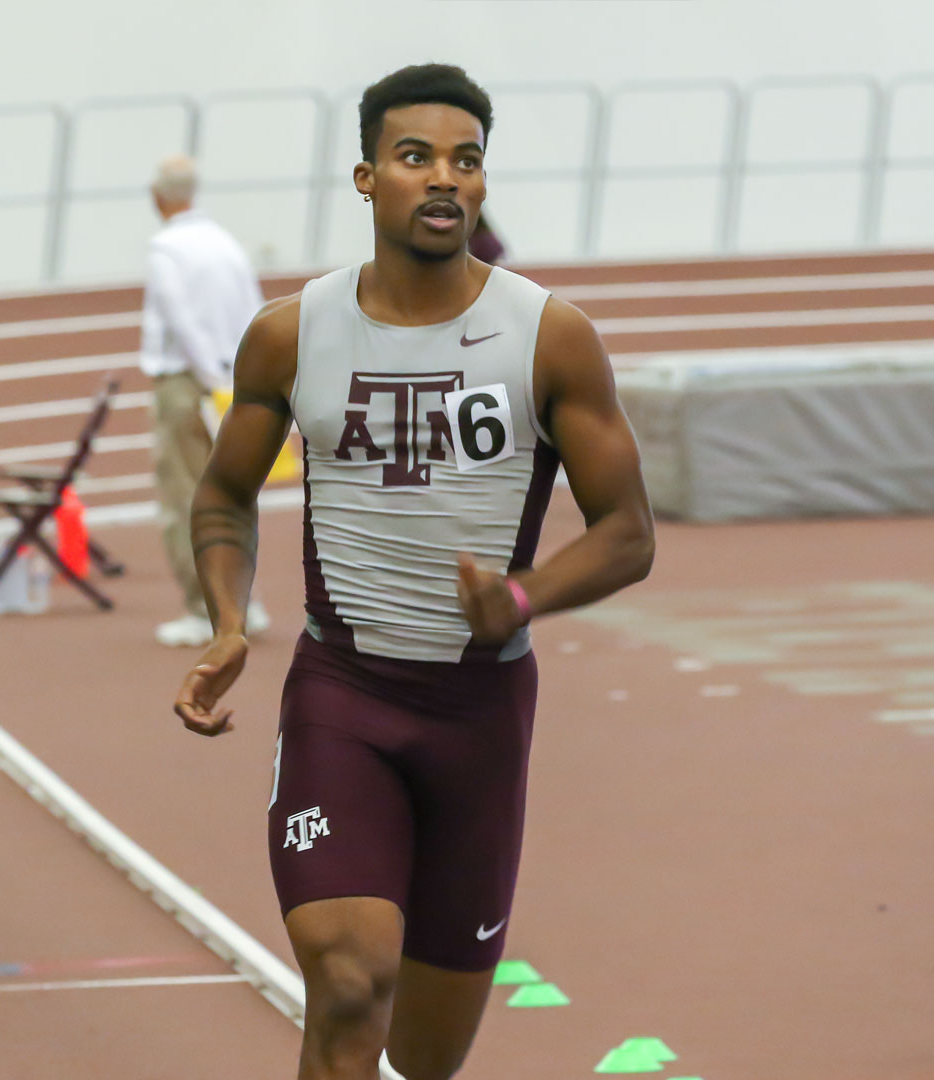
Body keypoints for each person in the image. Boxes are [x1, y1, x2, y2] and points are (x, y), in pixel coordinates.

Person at [172, 64, 655, 1079]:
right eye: (415, 157)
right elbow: (221, 496)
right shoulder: (292, 335)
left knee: (424, 1059)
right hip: (344, 695)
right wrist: (227, 621)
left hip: (481, 716)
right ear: (365, 178)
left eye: (466, 160)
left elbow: (626, 532)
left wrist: (519, 597)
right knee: (348, 989)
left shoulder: (547, 336)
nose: (445, 178)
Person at [139, 154, 268, 647]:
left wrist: (207, 376)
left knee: (184, 498)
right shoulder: (225, 244)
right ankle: (244, 603)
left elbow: (179, 318)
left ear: (158, 196)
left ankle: (203, 609)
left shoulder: (166, 249)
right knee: (232, 496)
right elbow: (256, 312)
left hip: (187, 384)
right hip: (232, 382)